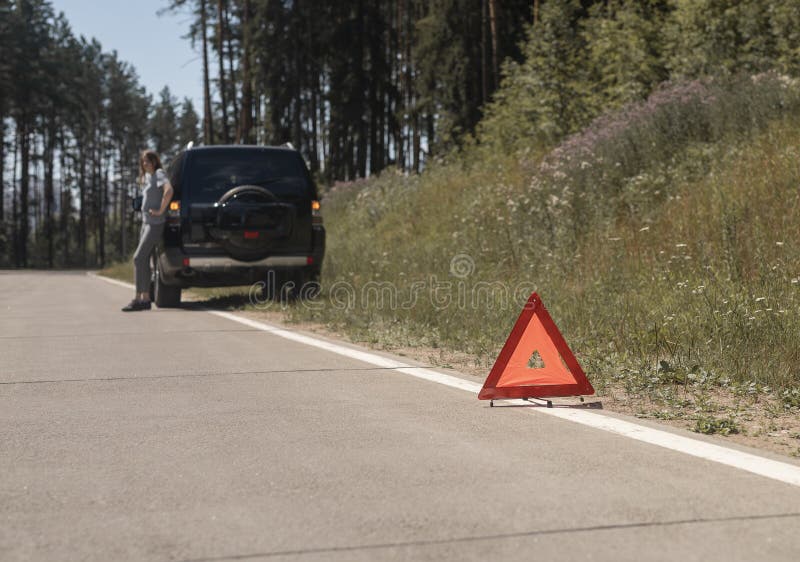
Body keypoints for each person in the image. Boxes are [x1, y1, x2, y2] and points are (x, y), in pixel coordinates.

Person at [122, 150, 174, 312]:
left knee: (138, 258)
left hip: (155, 223)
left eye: (148, 161)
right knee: (143, 260)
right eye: (143, 162)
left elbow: (169, 191)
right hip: (145, 223)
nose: (145, 164)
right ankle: (144, 298)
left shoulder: (159, 174)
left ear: (154, 162)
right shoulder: (148, 177)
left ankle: (139, 298)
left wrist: (160, 210)